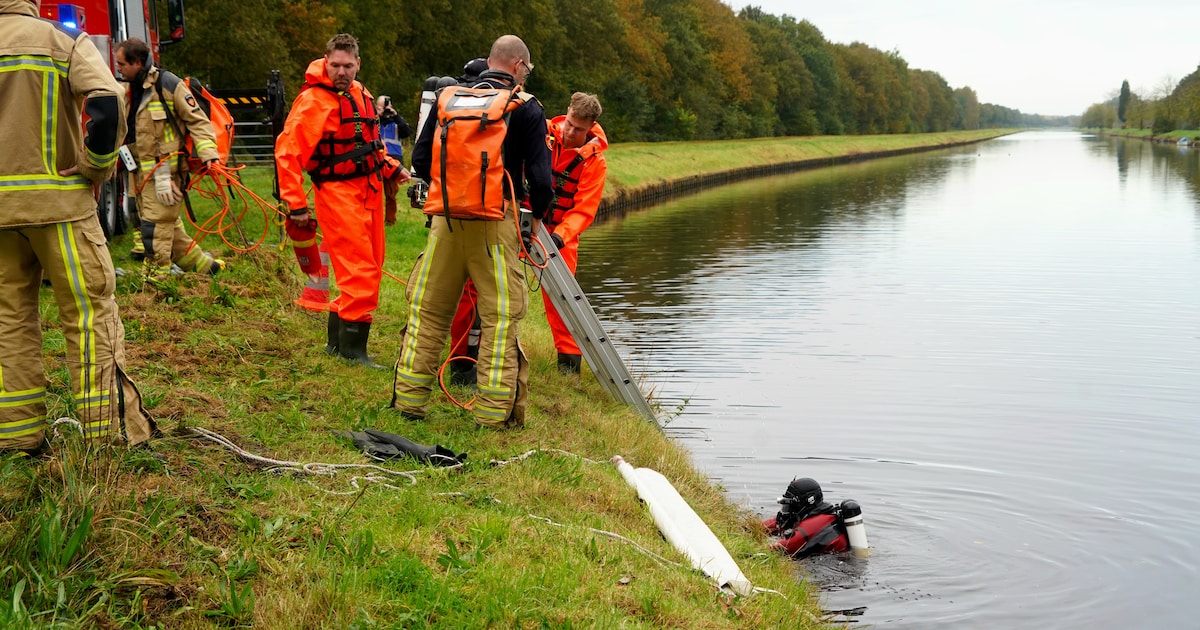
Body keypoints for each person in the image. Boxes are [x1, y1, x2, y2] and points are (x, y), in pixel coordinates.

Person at [0, 0, 156, 454]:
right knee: (88, 316)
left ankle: (17, 438)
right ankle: (109, 435)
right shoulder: (61, 39)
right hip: (61, 209)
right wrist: (97, 167)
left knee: (9, 322)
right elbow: (107, 102)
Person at [392, 35, 553, 429]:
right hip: (496, 224)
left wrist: (453, 192)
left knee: (428, 312)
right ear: (517, 66)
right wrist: (535, 219)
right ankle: (492, 415)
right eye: (527, 71)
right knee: (499, 319)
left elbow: (419, 158)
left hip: (445, 222)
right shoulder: (526, 108)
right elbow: (542, 180)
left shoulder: (450, 99)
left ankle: (409, 402)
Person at [275, 33, 410, 368]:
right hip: (337, 193)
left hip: (370, 191)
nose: (341, 72)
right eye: (334, 65)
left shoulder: (359, 92)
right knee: (359, 269)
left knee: (371, 265)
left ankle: (337, 345)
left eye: (347, 66)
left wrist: (391, 168)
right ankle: (353, 350)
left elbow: (367, 141)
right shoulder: (314, 102)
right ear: (325, 61)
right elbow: (287, 154)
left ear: (357, 64)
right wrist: (296, 205)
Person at [113, 38, 225, 279]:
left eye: (122, 63)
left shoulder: (168, 84)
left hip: (166, 173)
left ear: (137, 62)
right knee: (165, 226)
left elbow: (198, 121)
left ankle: (156, 280)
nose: (118, 68)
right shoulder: (126, 89)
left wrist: (209, 156)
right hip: (139, 173)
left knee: (155, 225)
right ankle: (205, 268)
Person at [764, 478, 859, 558]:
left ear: (801, 505)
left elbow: (779, 549)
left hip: (837, 562)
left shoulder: (809, 527)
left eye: (789, 507)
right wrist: (752, 528)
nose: (786, 511)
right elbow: (776, 523)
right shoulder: (823, 515)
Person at [376, 95, 411, 226]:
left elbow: (407, 132)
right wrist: (377, 115)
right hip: (377, 158)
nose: (384, 110)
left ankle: (390, 220)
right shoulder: (374, 121)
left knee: (391, 192)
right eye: (380, 107)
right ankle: (375, 220)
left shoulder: (396, 123)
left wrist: (395, 115)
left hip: (393, 161)